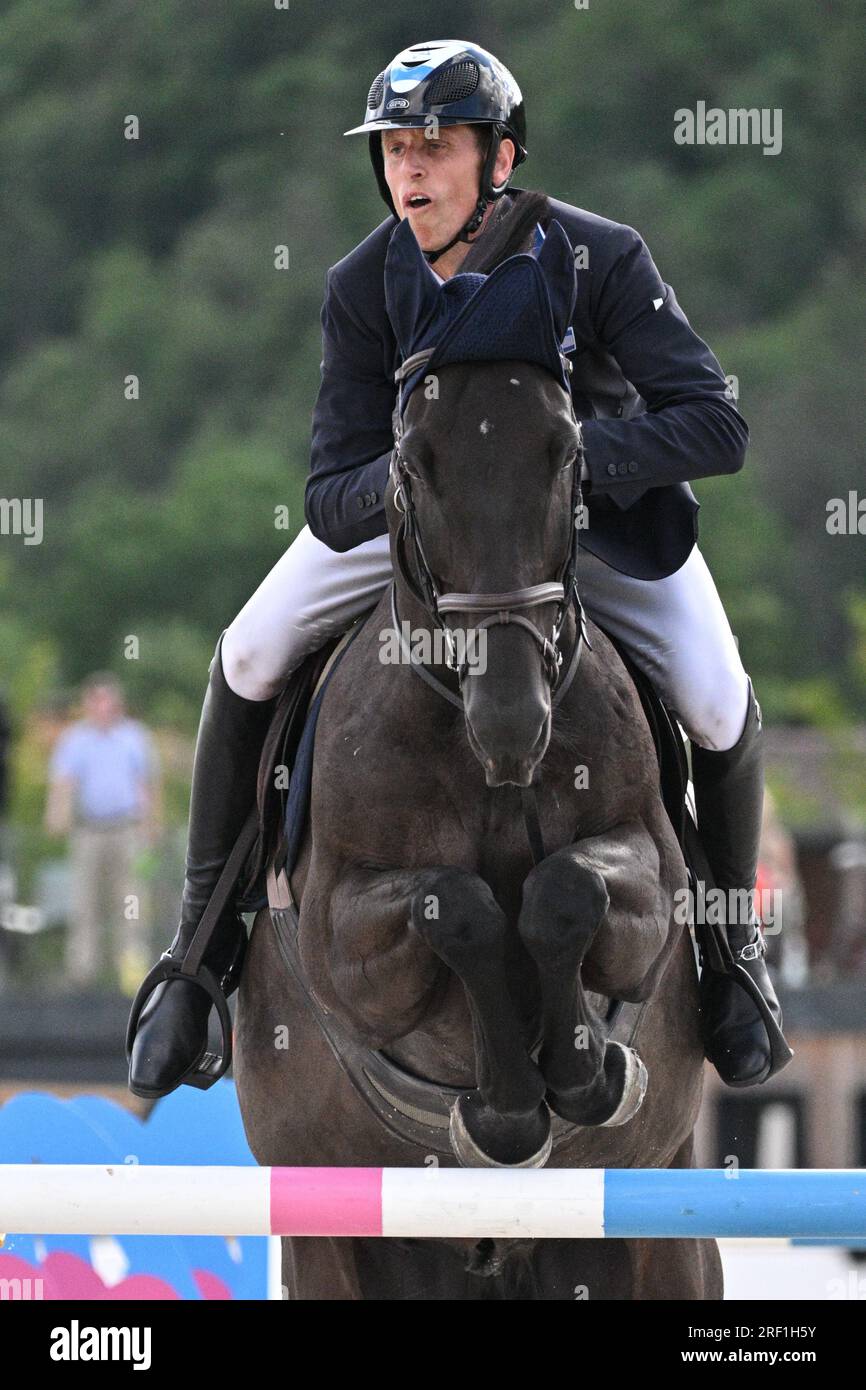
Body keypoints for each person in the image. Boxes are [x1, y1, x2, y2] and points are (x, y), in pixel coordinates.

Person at [128, 39, 788, 1098]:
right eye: (393, 148)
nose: (408, 170)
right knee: (248, 651)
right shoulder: (362, 284)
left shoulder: (597, 256)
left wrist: (564, 469)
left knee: (713, 698)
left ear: (500, 156)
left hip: (585, 531)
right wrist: (415, 489)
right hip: (427, 540)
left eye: (433, 145)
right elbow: (326, 486)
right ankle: (196, 961)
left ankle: (730, 960)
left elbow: (715, 423)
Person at [45, 673, 160, 990]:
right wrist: (57, 815)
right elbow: (64, 783)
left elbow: (146, 785)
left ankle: (132, 973)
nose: (103, 707)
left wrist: (151, 828)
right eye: (96, 701)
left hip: (127, 831)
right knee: (85, 904)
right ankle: (82, 973)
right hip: (89, 832)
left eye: (108, 700)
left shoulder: (134, 737)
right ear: (88, 704)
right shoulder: (75, 740)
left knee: (131, 901)